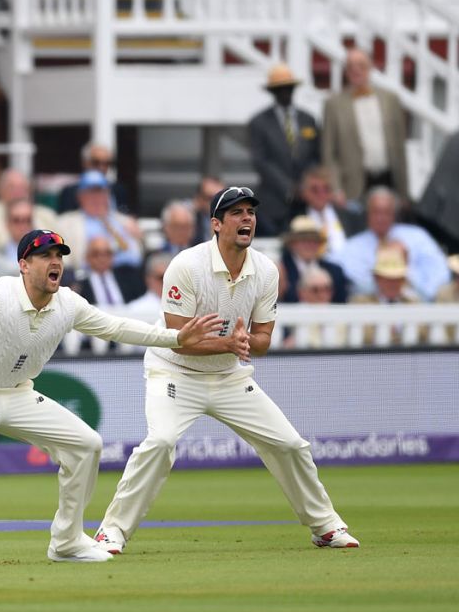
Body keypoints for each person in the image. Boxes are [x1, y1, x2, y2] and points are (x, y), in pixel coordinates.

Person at [0, 230, 223, 565]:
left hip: (16, 394)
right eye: (45, 256)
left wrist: (176, 337)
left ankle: (67, 541)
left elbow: (116, 327)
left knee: (86, 445)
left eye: (59, 256)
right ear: (23, 264)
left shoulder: (69, 304)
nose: (55, 263)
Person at [94, 186, 360, 555]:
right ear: (216, 224)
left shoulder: (266, 270)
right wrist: (231, 344)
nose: (246, 218)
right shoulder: (186, 266)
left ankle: (325, 527)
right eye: (236, 213)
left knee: (289, 444)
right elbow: (178, 338)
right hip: (175, 372)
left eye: (250, 211)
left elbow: (263, 339)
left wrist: (247, 342)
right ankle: (112, 531)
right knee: (160, 442)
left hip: (229, 376)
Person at [322, 48, 409, 201]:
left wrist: (404, 191)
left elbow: (400, 148)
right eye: (351, 66)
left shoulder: (390, 99)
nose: (356, 70)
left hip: (389, 180)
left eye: (361, 65)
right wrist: (335, 188)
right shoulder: (333, 104)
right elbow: (329, 152)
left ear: (371, 67)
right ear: (346, 72)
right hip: (353, 186)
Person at [246, 63, 321, 235]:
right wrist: (288, 188)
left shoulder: (308, 119)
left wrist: (306, 186)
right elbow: (260, 161)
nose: (285, 92)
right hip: (274, 202)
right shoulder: (259, 122)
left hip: (306, 201)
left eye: (288, 88)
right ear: (272, 92)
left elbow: (316, 156)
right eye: (280, 89)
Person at [338, 188, 449, 301]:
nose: (381, 218)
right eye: (376, 212)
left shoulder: (418, 236)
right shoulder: (352, 247)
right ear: (367, 214)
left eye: (386, 212)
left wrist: (406, 265)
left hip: (418, 309)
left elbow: (440, 278)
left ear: (394, 214)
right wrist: (384, 267)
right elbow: (357, 288)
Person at [54, 170, 143, 270]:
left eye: (100, 192)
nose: (96, 198)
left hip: (122, 275)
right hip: (85, 277)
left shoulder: (124, 221)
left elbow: (135, 257)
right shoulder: (65, 223)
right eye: (91, 193)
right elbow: (65, 260)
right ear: (80, 196)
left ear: (108, 195)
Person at [0, 168, 62, 259]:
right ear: (0, 190)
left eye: (22, 187)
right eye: (12, 187)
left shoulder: (46, 215)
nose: (18, 192)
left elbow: (61, 252)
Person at [286, 166, 364, 261]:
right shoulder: (294, 219)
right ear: (304, 193)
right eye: (315, 190)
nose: (321, 194)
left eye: (326, 189)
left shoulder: (349, 217)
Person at [279, 216, 349, 304]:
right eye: (303, 240)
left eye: (314, 240)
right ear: (292, 243)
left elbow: (341, 304)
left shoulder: (335, 271)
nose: (309, 244)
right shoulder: (280, 270)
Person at [53, 141, 131, 214]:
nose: (102, 167)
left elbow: (125, 217)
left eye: (107, 163)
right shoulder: (69, 192)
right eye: (96, 162)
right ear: (85, 162)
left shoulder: (119, 190)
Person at [0, 198, 43, 279]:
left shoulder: (45, 252)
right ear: (7, 224)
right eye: (16, 220)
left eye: (27, 220)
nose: (23, 226)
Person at [75, 236, 145, 306]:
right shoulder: (80, 284)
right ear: (87, 257)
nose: (102, 259)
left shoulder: (128, 278)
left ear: (113, 256)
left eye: (107, 253)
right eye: (96, 254)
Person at [123, 251, 172, 324]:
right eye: (161, 277)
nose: (165, 282)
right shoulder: (134, 309)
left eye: (169, 277)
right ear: (148, 278)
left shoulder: (186, 307)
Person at [191, 176, 224, 244]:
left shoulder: (233, 220)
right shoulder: (188, 221)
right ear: (198, 199)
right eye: (210, 198)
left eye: (220, 199)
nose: (217, 204)